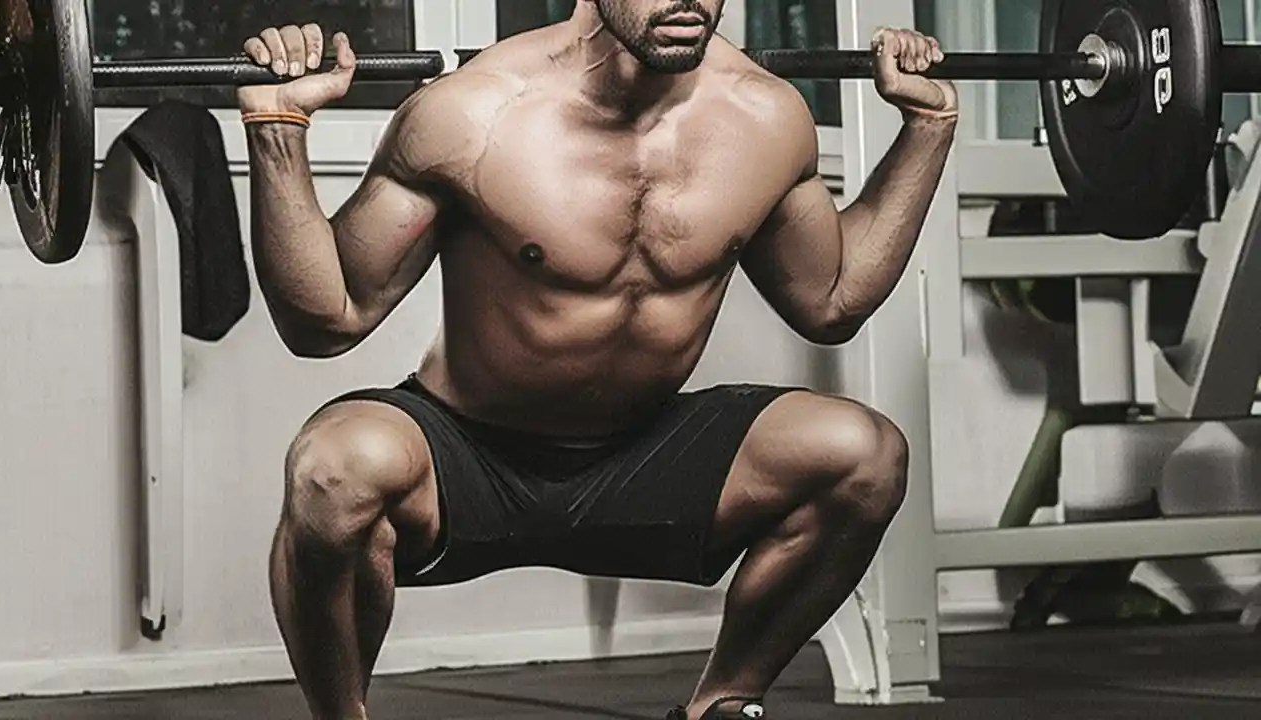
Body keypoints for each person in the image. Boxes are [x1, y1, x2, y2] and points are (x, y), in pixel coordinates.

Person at [238, 1, 956, 718]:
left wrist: (928, 130)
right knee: (334, 469)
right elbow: (327, 321)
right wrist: (277, 131)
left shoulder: (766, 119)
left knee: (864, 455)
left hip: (644, 457)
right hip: (469, 457)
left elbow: (830, 301)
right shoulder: (471, 114)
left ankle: (723, 703)